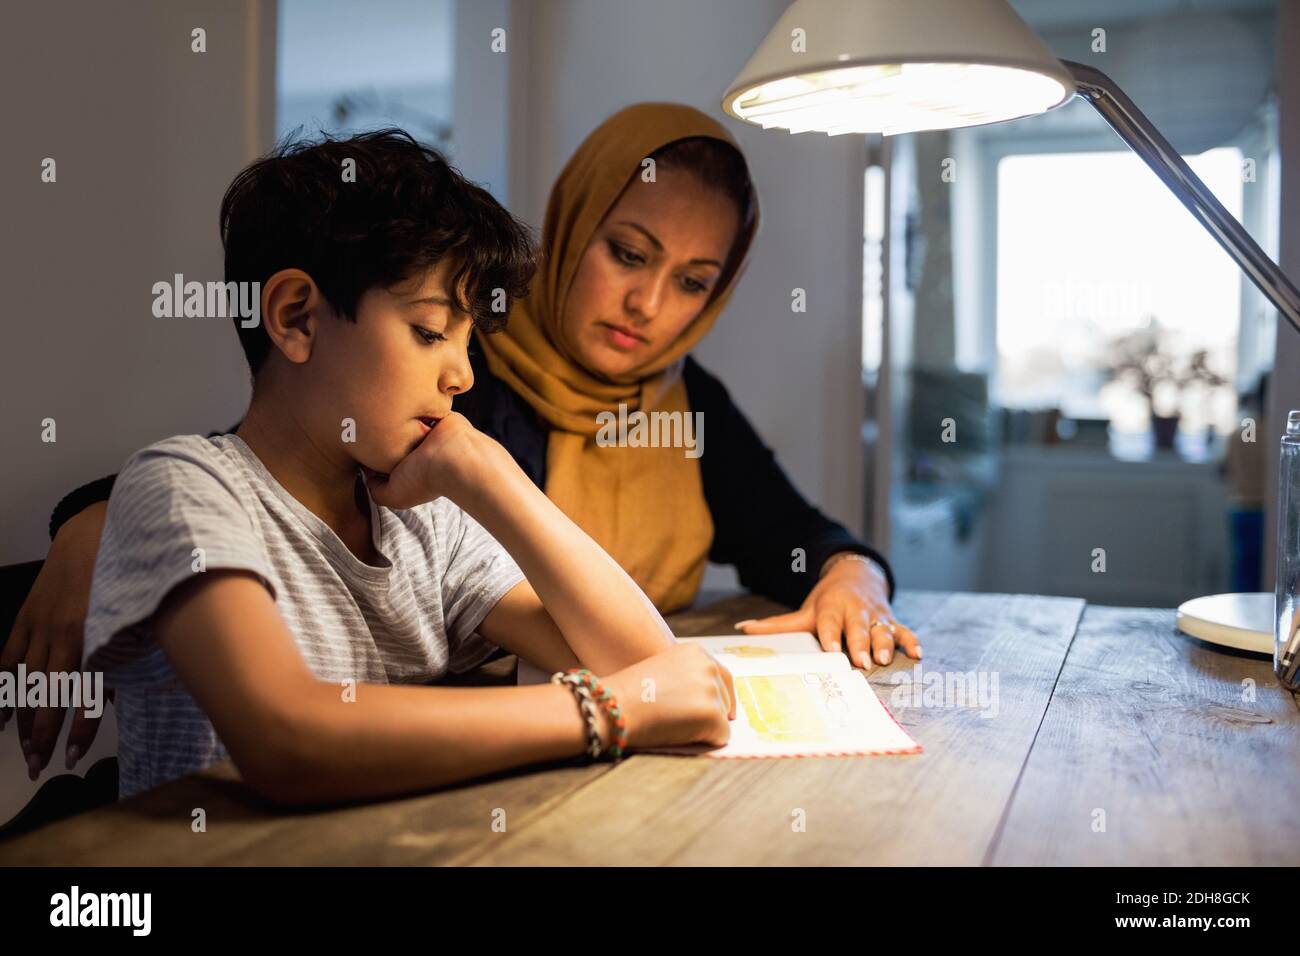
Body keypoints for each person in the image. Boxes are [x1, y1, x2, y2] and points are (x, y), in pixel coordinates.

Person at [5, 104, 917, 781]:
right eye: (433, 333)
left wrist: (490, 476)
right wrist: (602, 712)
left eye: (692, 281)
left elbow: (659, 663)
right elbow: (287, 736)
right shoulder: (200, 488)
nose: (464, 378)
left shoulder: (429, 508)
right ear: (292, 315)